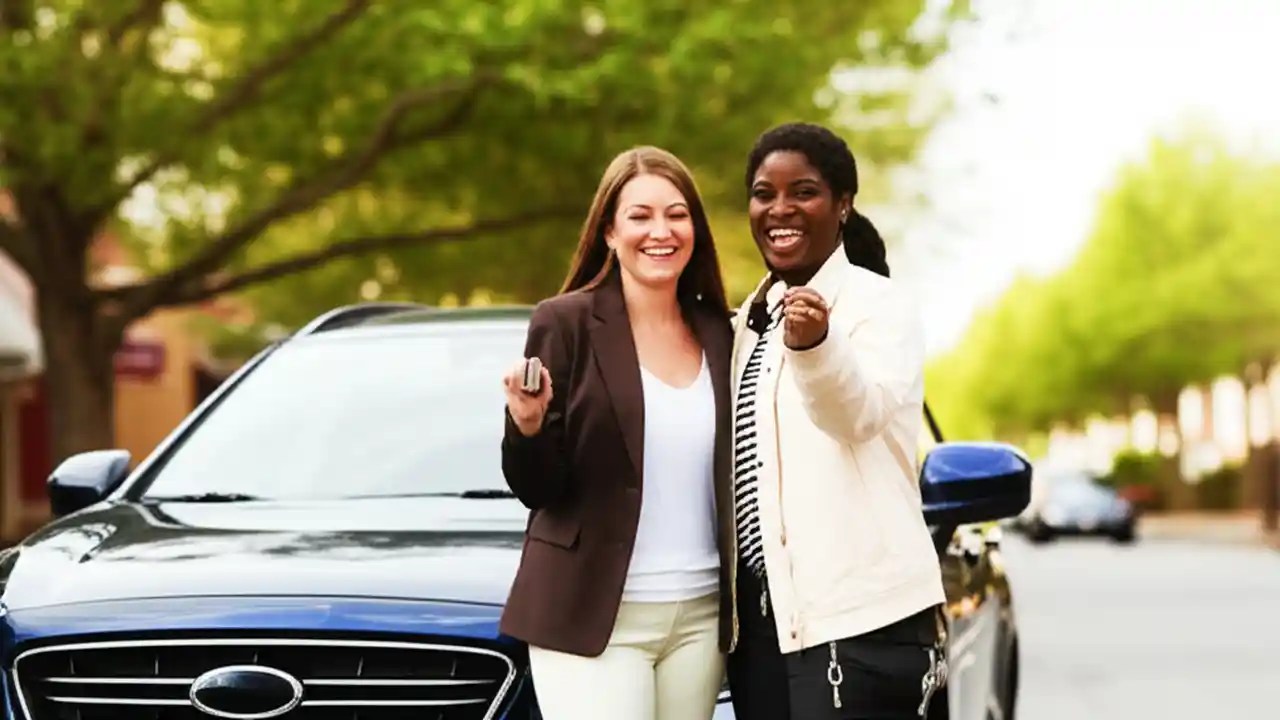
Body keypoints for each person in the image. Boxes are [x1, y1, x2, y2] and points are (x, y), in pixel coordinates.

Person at [499, 146, 735, 720]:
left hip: (699, 617)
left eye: (677, 215)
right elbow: (539, 487)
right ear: (609, 231)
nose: (661, 231)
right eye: (640, 216)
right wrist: (527, 427)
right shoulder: (565, 322)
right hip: (592, 615)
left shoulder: (723, 333)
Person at [725, 122, 949, 720]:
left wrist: (819, 344)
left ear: (843, 204)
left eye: (803, 192)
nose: (780, 209)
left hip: (861, 624)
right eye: (763, 193)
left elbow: (858, 415)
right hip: (766, 630)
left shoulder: (880, 306)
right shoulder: (751, 321)